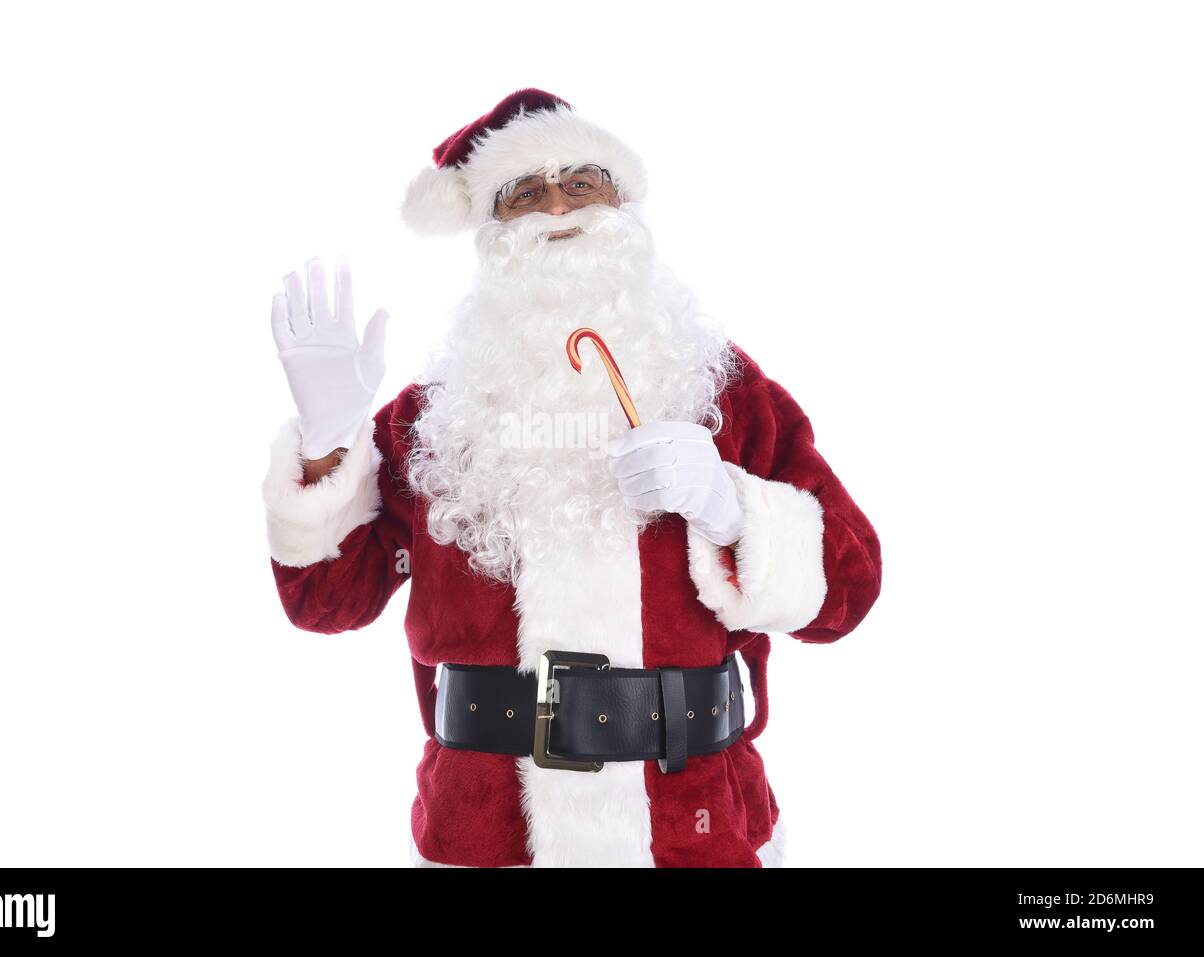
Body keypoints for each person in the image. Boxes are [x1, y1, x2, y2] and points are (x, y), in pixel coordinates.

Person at [261, 88, 882, 867]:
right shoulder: (432, 417)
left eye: (582, 182)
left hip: (692, 827)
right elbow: (327, 600)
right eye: (524, 192)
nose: (556, 206)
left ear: (622, 204)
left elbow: (851, 589)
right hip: (489, 835)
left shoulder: (721, 389)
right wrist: (326, 446)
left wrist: (731, 509)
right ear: (491, 232)